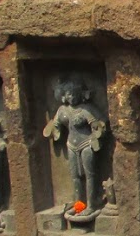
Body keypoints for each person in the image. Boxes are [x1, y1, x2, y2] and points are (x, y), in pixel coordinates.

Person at [42, 78, 106, 212]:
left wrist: (97, 133)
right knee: (75, 175)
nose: (71, 96)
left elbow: (98, 125)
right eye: (68, 94)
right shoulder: (62, 110)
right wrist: (53, 129)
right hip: (71, 144)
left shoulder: (85, 110)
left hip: (86, 144)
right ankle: (78, 203)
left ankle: (91, 204)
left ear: (80, 94)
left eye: (73, 93)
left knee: (90, 175)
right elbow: (55, 125)